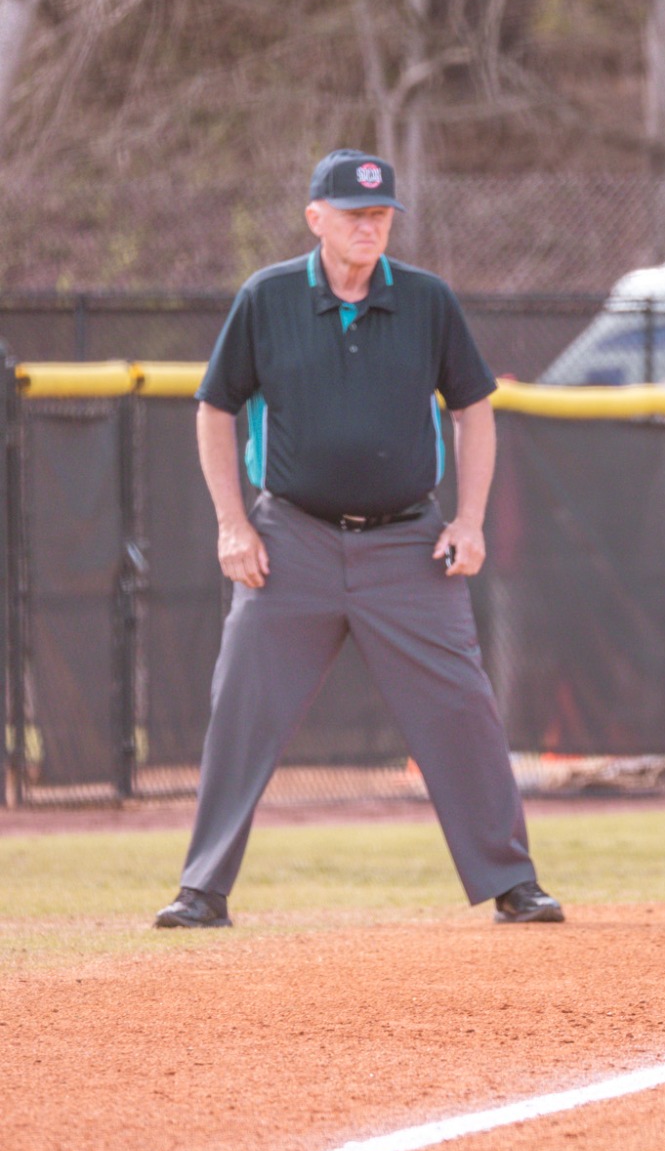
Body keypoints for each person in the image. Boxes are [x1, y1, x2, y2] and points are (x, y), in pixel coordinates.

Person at [153, 149, 563, 929]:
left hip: (408, 541)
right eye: (353, 214)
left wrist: (469, 520)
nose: (369, 226)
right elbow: (215, 408)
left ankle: (512, 880)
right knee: (243, 701)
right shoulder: (268, 297)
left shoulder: (426, 300)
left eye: (380, 214)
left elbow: (474, 406)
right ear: (316, 219)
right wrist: (232, 523)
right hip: (291, 539)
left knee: (462, 707)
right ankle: (202, 889)